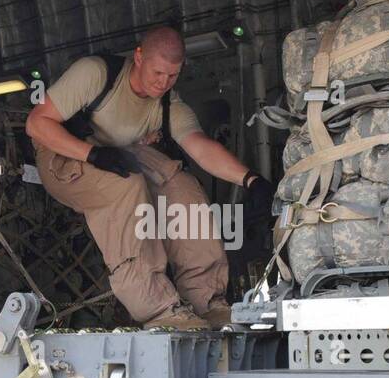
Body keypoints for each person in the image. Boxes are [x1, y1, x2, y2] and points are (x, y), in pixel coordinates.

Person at [25, 27, 273, 330]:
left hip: (117, 153)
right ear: (139, 57)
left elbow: (200, 147)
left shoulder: (168, 103)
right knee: (126, 186)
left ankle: (205, 301)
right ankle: (158, 309)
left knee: (183, 188)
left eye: (172, 75)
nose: (163, 82)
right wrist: (92, 154)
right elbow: (37, 124)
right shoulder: (96, 73)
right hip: (63, 155)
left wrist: (250, 180)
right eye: (158, 72)